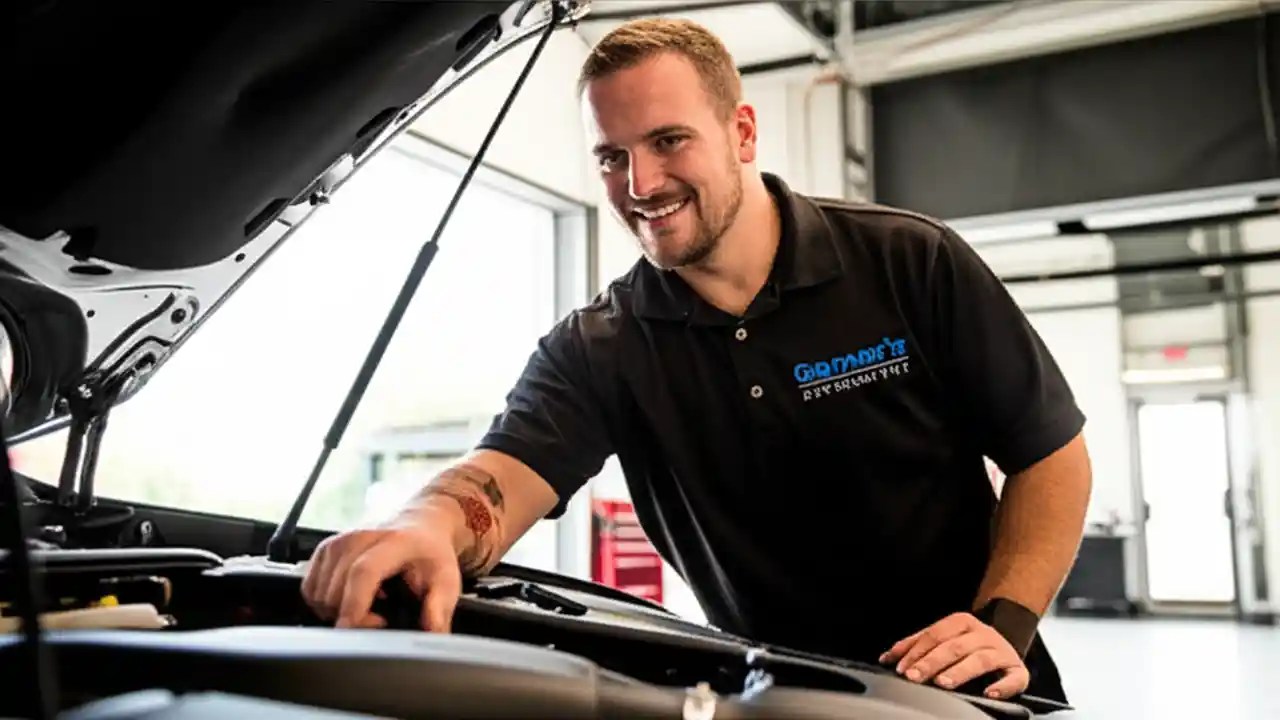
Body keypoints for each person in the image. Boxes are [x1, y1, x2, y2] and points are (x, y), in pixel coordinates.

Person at [300, 17, 1092, 704]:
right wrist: (424, 526)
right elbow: (496, 481)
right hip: (772, 702)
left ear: (742, 133)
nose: (640, 183)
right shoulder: (600, 347)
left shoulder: (909, 261)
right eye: (611, 156)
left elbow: (1050, 455)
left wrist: (1004, 626)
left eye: (668, 140)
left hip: (967, 690)